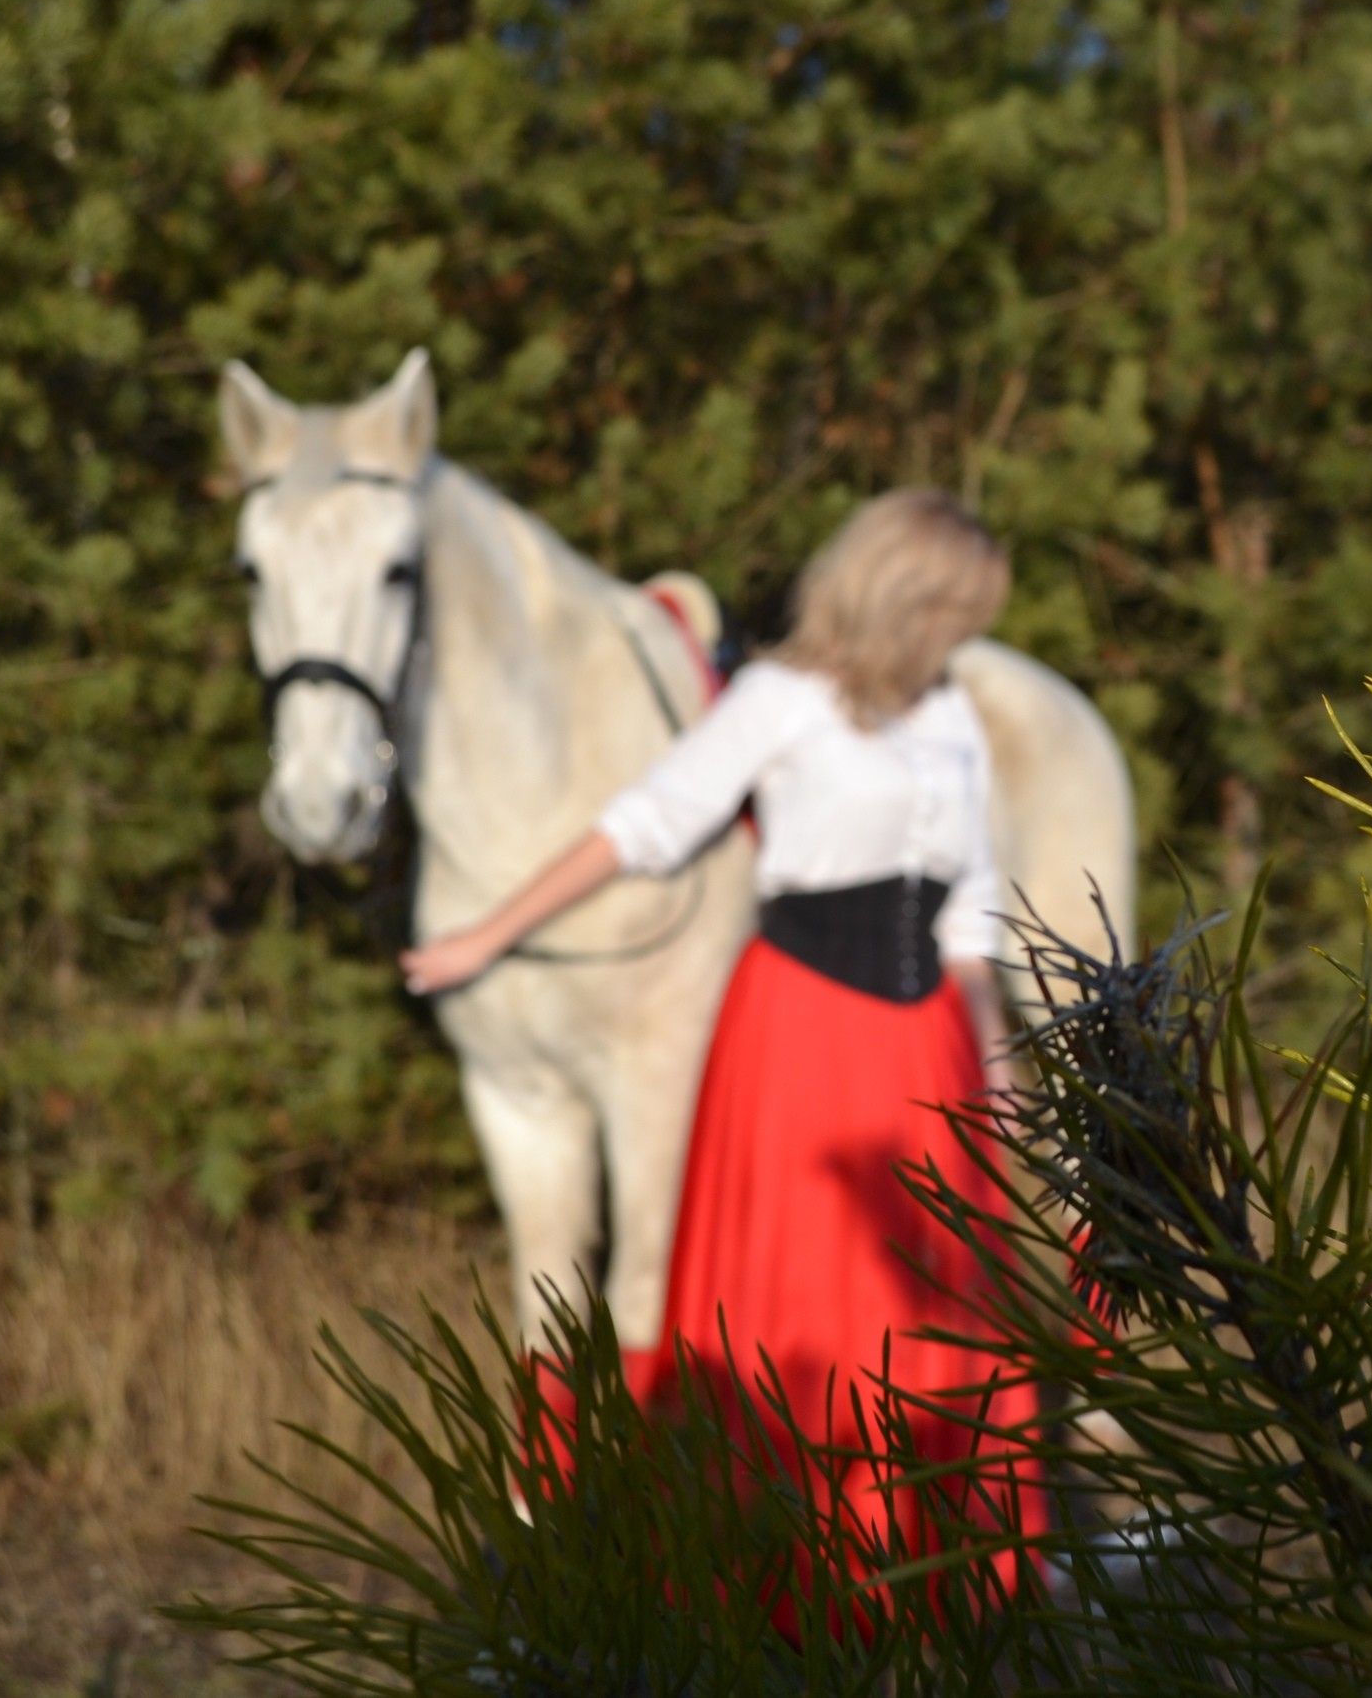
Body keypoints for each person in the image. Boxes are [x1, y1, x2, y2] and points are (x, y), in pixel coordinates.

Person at [398, 486, 1034, 1592]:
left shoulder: (953, 712)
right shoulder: (779, 700)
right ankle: (784, 1581)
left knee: (943, 1309)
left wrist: (997, 1066)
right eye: (954, 609)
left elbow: (971, 916)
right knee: (805, 1312)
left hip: (926, 1042)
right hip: (800, 1035)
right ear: (902, 594)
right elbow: (644, 825)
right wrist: (484, 936)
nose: (965, 634)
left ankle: (937, 1583)